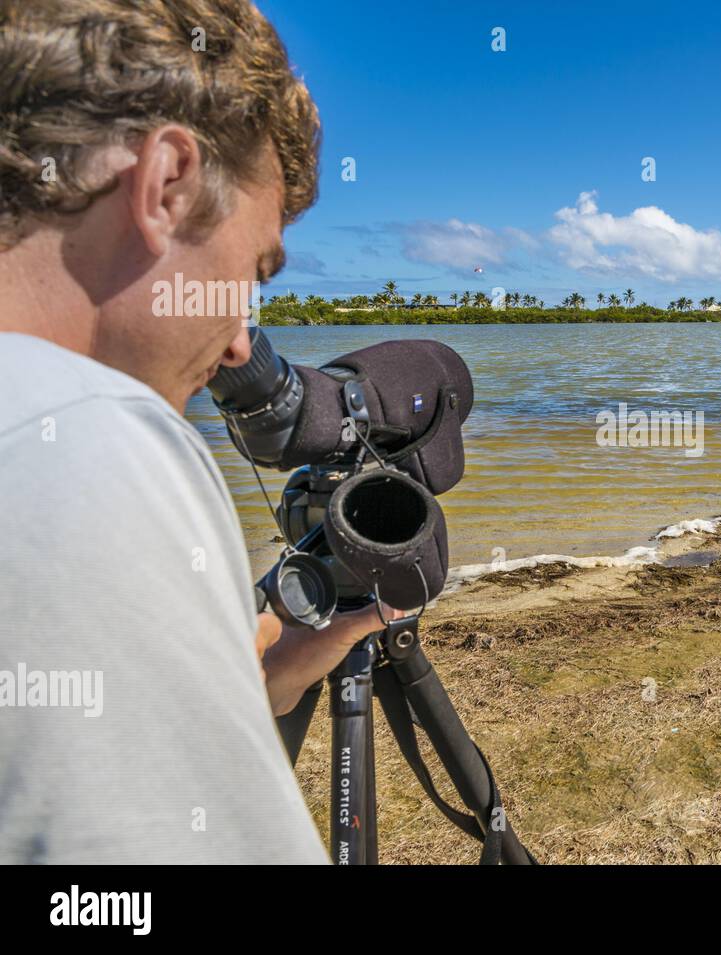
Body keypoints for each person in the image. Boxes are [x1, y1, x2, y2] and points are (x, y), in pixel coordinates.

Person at [0, 0, 381, 863]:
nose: (243, 338)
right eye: (253, 270)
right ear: (167, 183)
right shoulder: (93, 435)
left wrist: (219, 692)